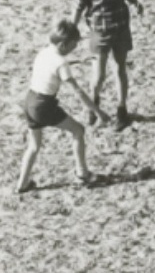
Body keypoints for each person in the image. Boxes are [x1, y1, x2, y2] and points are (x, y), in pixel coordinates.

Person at [16, 21, 110, 194]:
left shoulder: (44, 52)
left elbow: (53, 65)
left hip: (29, 101)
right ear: (63, 44)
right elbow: (78, 92)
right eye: (74, 45)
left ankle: (22, 184)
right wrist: (98, 111)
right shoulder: (61, 64)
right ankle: (83, 173)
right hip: (44, 106)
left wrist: (77, 61)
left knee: (34, 146)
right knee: (78, 131)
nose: (75, 47)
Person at [73, 0, 145, 131]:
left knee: (120, 68)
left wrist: (135, 2)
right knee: (99, 75)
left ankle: (122, 110)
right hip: (100, 32)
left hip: (121, 28)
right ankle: (93, 107)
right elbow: (80, 7)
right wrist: (72, 28)